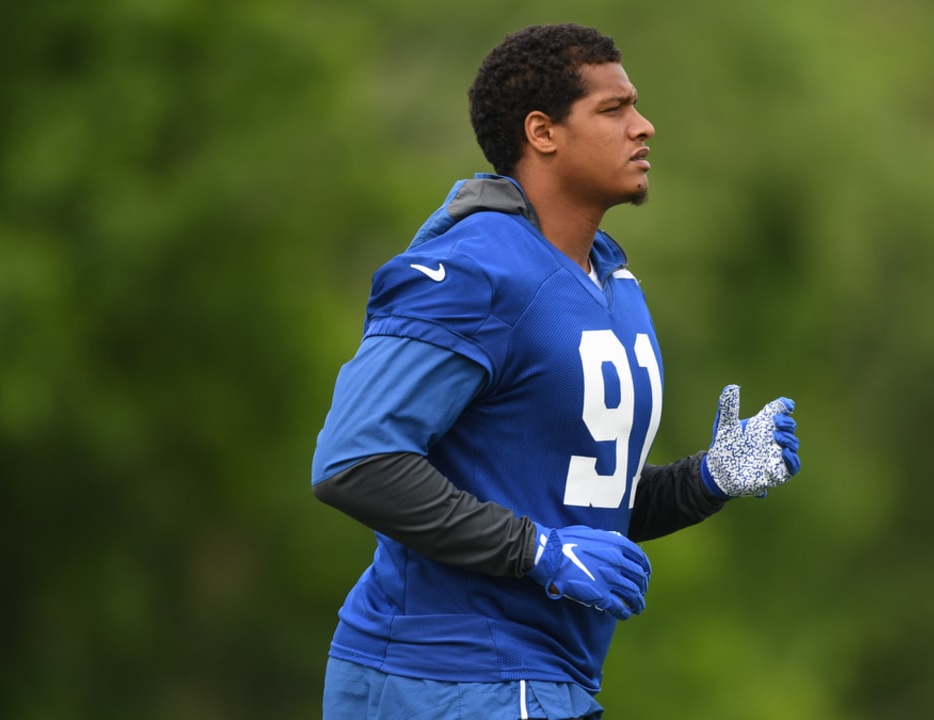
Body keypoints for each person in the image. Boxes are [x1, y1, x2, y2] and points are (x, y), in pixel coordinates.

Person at [310, 23, 802, 720]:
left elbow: (575, 508)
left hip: (540, 677)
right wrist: (536, 551)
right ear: (542, 133)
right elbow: (354, 460)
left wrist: (704, 481)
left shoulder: (611, 275)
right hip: (444, 673)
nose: (644, 126)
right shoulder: (474, 269)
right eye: (614, 109)